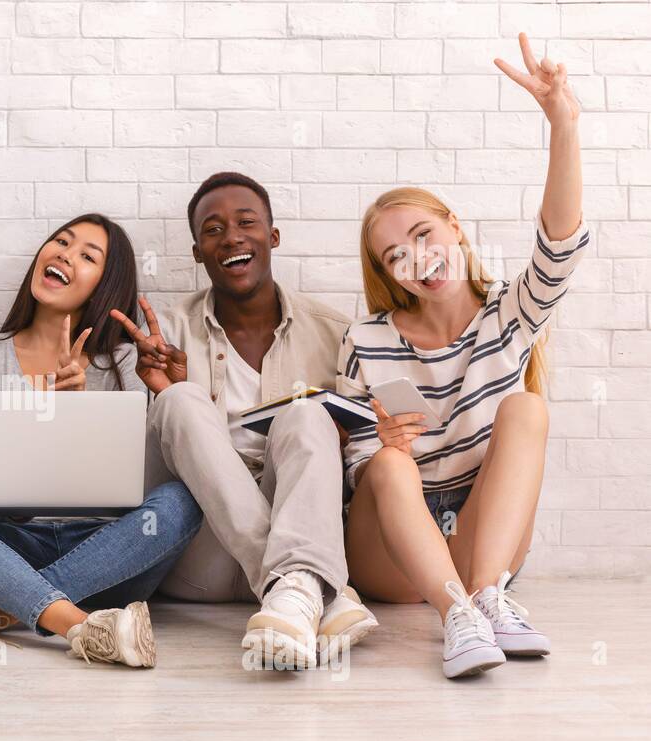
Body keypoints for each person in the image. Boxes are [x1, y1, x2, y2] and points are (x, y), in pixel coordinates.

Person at [338, 34, 585, 679]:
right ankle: (458, 618)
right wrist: (381, 445)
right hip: (394, 555)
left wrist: (563, 122)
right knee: (389, 467)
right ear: (390, 276)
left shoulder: (508, 311)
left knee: (527, 409)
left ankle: (488, 602)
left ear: (452, 225)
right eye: (396, 256)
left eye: (423, 235)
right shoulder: (367, 340)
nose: (417, 259)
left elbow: (559, 243)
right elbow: (357, 468)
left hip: (485, 546)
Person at [0, 215, 203, 668]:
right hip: (9, 541)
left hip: (107, 550)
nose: (66, 254)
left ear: (106, 284)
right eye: (61, 242)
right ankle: (80, 625)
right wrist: (39, 408)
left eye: (88, 256)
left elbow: (153, 474)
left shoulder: (128, 364)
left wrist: (127, 399)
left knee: (182, 501)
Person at [112, 173, 378, 671]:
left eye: (246, 222)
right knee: (181, 400)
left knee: (305, 413)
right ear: (197, 252)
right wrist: (161, 392)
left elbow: (360, 455)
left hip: (299, 528)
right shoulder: (166, 332)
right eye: (212, 230)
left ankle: (296, 592)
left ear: (272, 236)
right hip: (199, 557)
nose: (231, 236)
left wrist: (340, 436)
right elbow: (129, 467)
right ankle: (309, 590)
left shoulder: (335, 331)